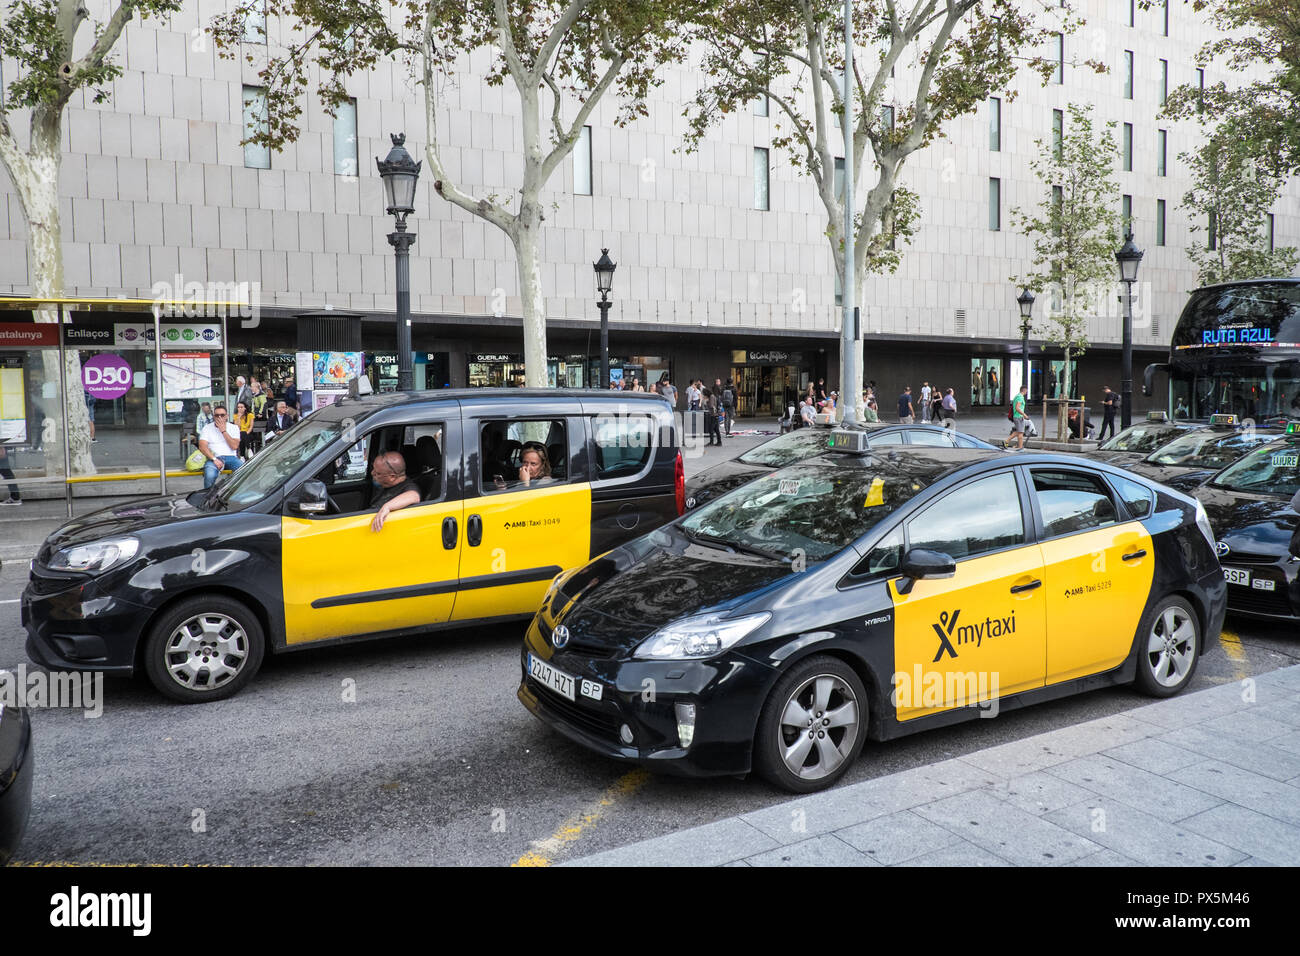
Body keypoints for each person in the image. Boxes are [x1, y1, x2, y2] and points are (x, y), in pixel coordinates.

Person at [369, 451, 421, 532]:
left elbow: (414, 496)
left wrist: (387, 507)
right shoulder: (387, 485)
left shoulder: (408, 487)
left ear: (392, 477)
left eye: (378, 473)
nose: (372, 473)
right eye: (373, 470)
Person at [199, 405, 243, 488]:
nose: (219, 417)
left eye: (222, 415)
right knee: (210, 475)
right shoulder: (207, 428)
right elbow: (202, 447)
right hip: (214, 457)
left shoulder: (234, 428)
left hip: (231, 457)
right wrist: (214, 459)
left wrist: (223, 431)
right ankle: (208, 497)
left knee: (243, 471)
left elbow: (234, 446)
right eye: (217, 415)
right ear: (213, 416)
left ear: (227, 416)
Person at [1007, 384, 1029, 450]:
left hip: (1016, 416)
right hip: (1019, 416)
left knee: (1019, 431)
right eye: (1026, 391)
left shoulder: (1017, 396)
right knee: (1021, 433)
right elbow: (1017, 408)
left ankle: (1007, 441)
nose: (1027, 392)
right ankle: (1020, 447)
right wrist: (1024, 414)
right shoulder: (1020, 397)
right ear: (1024, 390)